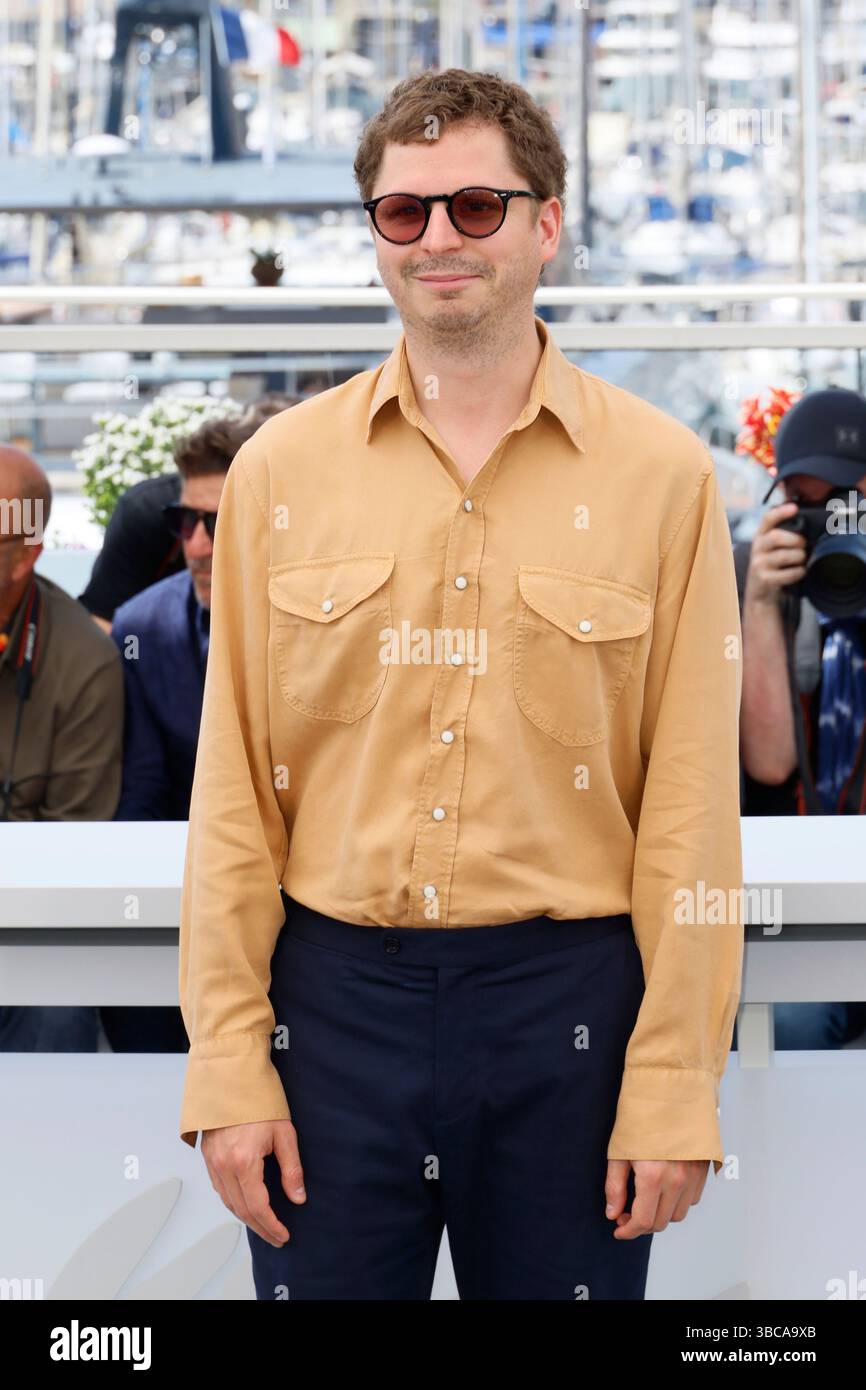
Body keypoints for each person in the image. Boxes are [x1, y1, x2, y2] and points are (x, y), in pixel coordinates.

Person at [178, 68, 744, 1301]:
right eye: (404, 211)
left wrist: (669, 1083)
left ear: (548, 226)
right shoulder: (280, 471)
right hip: (328, 1019)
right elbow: (234, 799)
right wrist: (229, 1067)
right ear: (375, 234)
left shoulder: (662, 478)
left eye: (477, 207)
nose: (438, 237)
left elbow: (692, 806)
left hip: (569, 1020)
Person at [102, 397, 297, 1054]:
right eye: (184, 521)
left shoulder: (348, 632)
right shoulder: (144, 627)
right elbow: (147, 798)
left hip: (323, 917)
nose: (198, 546)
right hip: (196, 891)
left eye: (220, 521)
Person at [734, 387, 866, 1050]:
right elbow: (769, 765)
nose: (824, 527)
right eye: (803, 508)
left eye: (843, 505)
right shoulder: (759, 583)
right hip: (807, 902)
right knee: (790, 1022)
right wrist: (760, 607)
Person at [0, 444, 123, 1050]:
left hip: (24, 923)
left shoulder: (84, 663)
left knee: (56, 1010)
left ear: (27, 556)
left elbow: (74, 851)